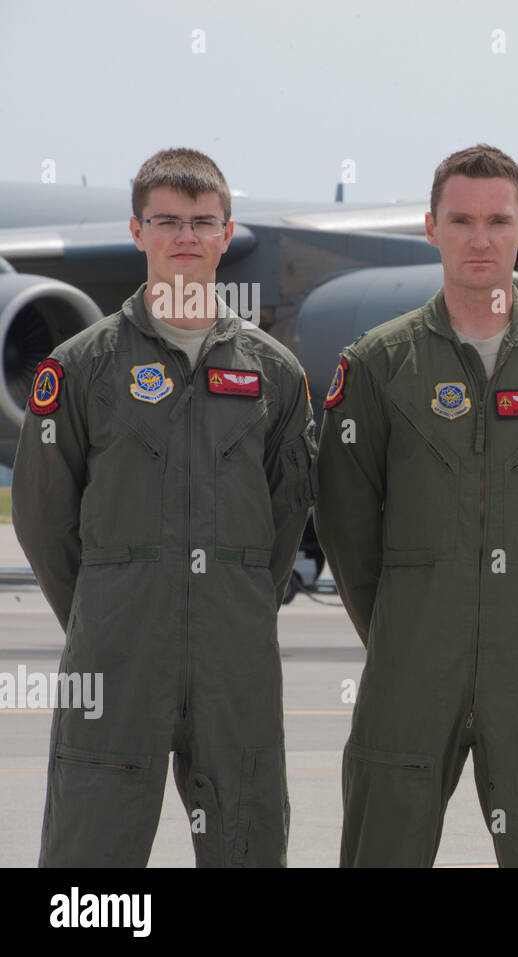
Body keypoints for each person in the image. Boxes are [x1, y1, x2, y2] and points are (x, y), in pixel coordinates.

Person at [315, 144, 518, 867]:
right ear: (431, 228)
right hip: (409, 662)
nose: (479, 238)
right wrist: (403, 619)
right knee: (381, 846)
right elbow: (346, 518)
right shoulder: (379, 364)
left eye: (497, 220)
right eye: (461, 220)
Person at [13, 147, 317, 866]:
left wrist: (235, 599)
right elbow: (42, 515)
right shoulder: (82, 366)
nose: (186, 235)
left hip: (234, 662)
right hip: (117, 657)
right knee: (93, 857)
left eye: (202, 222)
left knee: (248, 836)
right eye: (168, 221)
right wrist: (108, 603)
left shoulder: (273, 372)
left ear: (225, 233)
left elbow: (286, 512)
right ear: (137, 230)